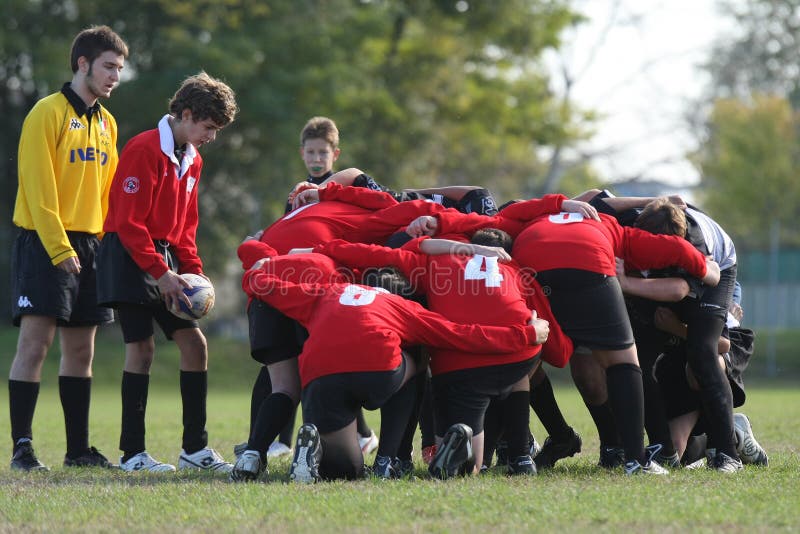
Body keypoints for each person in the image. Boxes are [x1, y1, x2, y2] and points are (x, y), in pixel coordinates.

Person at [241, 259, 547, 482]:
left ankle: (314, 454)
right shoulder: (404, 307)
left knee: (348, 471)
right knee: (417, 363)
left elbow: (261, 285)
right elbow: (463, 333)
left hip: (321, 375)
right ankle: (388, 460)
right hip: (377, 369)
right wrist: (526, 334)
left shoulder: (325, 291)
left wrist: (257, 269)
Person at [95, 72, 238, 472]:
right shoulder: (142, 148)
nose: (212, 136)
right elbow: (127, 223)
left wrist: (195, 275)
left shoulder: (194, 160)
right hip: (127, 256)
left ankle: (195, 450)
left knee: (195, 346)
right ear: (186, 114)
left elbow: (186, 229)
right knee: (141, 351)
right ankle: (132, 455)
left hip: (165, 263)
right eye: (209, 127)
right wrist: (162, 274)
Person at [8, 25, 128, 471]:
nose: (115, 75)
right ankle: (23, 448)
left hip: (90, 245)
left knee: (82, 350)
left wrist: (105, 243)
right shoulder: (47, 112)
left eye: (119, 68)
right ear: (83, 64)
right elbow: (39, 191)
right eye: (109, 67)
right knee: (36, 345)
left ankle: (77, 450)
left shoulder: (107, 123)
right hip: (44, 241)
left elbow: (108, 194)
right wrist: (59, 248)